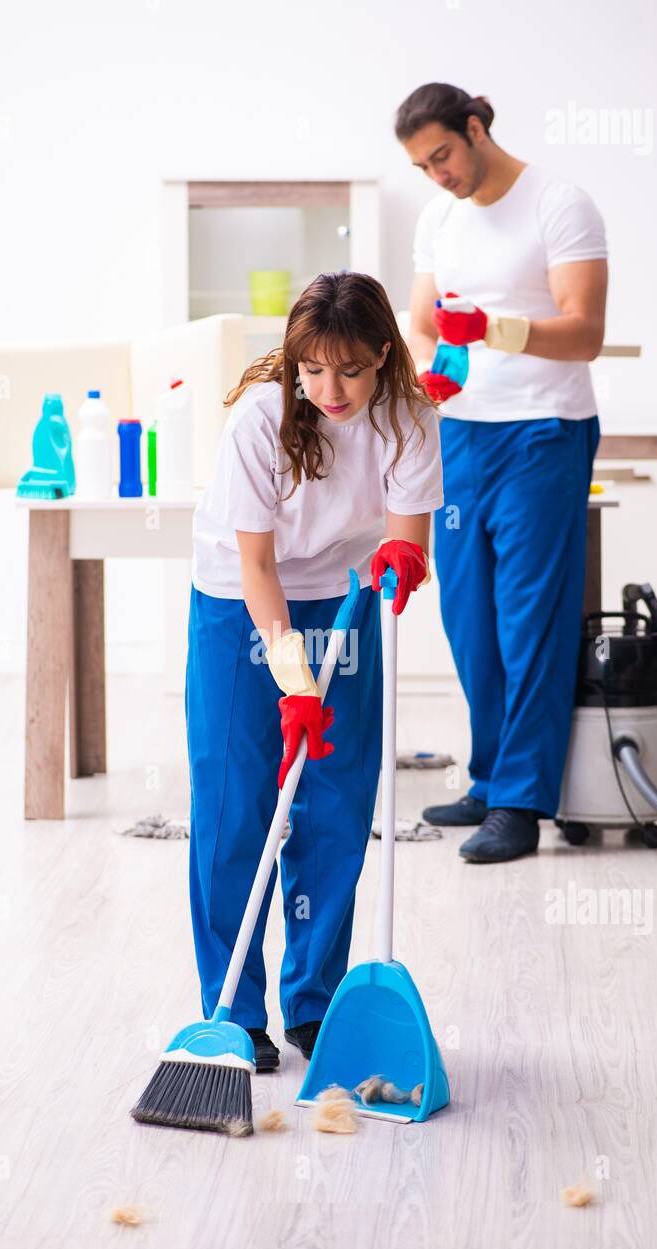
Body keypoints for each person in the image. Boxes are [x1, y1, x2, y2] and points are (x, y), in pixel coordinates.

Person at [186, 271, 442, 1071]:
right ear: (294, 360)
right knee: (236, 804)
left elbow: (406, 536)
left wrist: (402, 558)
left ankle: (315, 1004)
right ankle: (233, 1009)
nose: (331, 389)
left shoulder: (409, 415)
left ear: (383, 359)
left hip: (343, 596)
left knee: (333, 803)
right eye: (314, 368)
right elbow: (258, 568)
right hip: (240, 601)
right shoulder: (261, 420)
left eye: (352, 370)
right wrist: (295, 683)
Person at [395, 81, 608, 863]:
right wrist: (433, 367)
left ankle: (521, 802)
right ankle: (488, 777)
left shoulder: (559, 203)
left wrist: (493, 328)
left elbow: (583, 330)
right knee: (469, 618)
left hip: (542, 431)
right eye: (422, 166)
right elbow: (421, 322)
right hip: (461, 435)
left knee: (528, 620)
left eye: (442, 155)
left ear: (476, 128)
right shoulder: (439, 217)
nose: (437, 174)